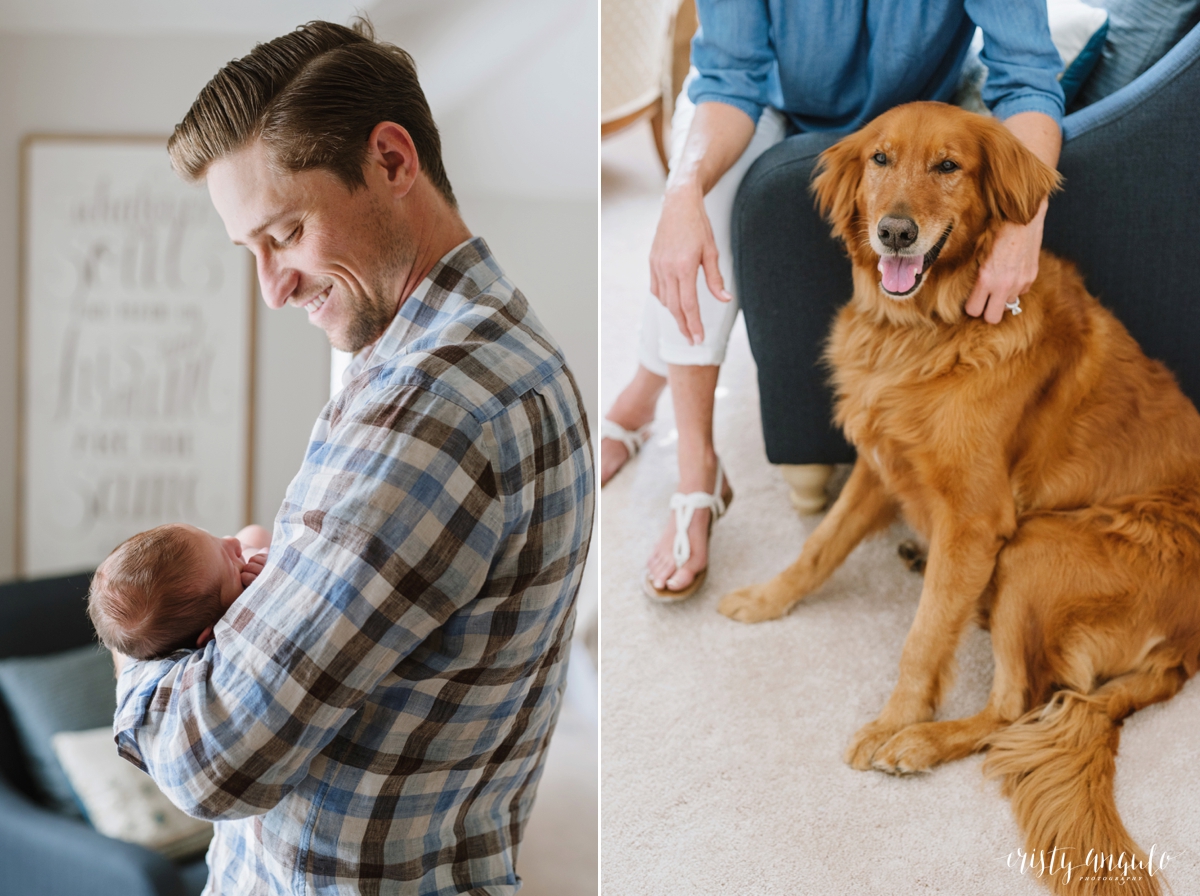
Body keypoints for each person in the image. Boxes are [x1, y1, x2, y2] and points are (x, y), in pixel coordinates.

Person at [110, 20, 593, 896]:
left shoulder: (433, 406)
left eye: (286, 232)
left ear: (392, 161)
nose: (273, 287)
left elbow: (207, 763)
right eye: (251, 251)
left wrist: (135, 645)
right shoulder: (486, 355)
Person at [603, 0, 1065, 601]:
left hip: (923, 107)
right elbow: (731, 79)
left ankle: (644, 387)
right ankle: (698, 475)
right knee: (700, 207)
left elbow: (1026, 75)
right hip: (759, 97)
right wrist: (681, 190)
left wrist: (1026, 222)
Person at [88, 523, 270, 661]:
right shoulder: (239, 642)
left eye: (212, 537)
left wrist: (245, 554)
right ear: (210, 635)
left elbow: (253, 533)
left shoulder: (214, 574)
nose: (233, 541)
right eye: (232, 563)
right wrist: (268, 568)